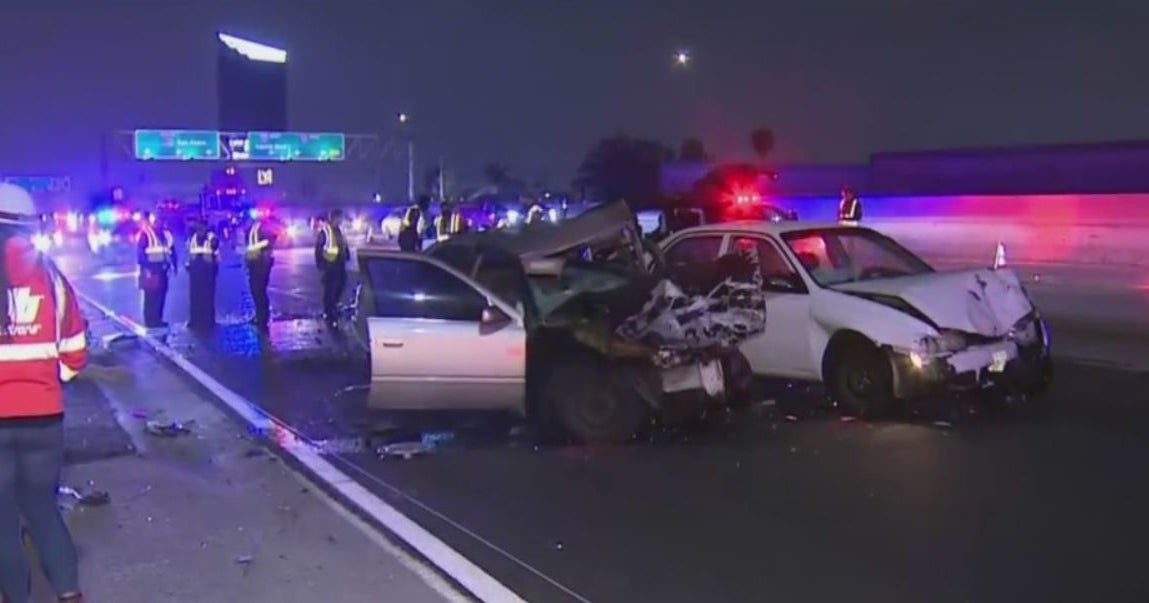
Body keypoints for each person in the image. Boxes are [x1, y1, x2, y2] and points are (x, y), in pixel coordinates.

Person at [0, 183, 88, 603]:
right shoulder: (50, 275)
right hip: (44, 418)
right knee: (42, 510)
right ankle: (70, 594)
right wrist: (54, 381)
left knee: (1, 522)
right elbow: (74, 350)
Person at [136, 216, 176, 329]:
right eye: (159, 221)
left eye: (162, 221)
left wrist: (174, 265)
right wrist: (145, 268)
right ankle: (150, 320)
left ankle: (158, 318)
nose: (161, 224)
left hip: (163, 269)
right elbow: (140, 253)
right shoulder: (146, 234)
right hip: (151, 269)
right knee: (151, 296)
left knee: (161, 295)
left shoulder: (167, 235)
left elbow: (172, 251)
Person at [315, 209, 350, 327]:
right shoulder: (326, 231)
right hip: (329, 265)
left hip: (339, 264)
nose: (340, 220)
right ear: (333, 218)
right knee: (329, 289)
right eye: (339, 218)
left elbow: (343, 244)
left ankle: (334, 306)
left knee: (341, 285)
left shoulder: (339, 230)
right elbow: (319, 248)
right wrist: (320, 263)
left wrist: (347, 254)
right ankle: (329, 312)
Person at [186, 218, 220, 330]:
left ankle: (209, 320)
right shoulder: (192, 238)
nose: (200, 229)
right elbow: (190, 253)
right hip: (195, 271)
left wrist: (215, 269)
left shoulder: (212, 238)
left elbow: (216, 253)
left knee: (208, 297)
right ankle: (195, 320)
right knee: (195, 297)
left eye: (202, 227)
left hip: (208, 270)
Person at [244, 215, 277, 331]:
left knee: (259, 292)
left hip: (261, 263)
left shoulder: (263, 228)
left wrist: (260, 252)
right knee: (257, 292)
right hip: (256, 262)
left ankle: (262, 318)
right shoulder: (254, 229)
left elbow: (270, 241)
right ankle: (259, 316)